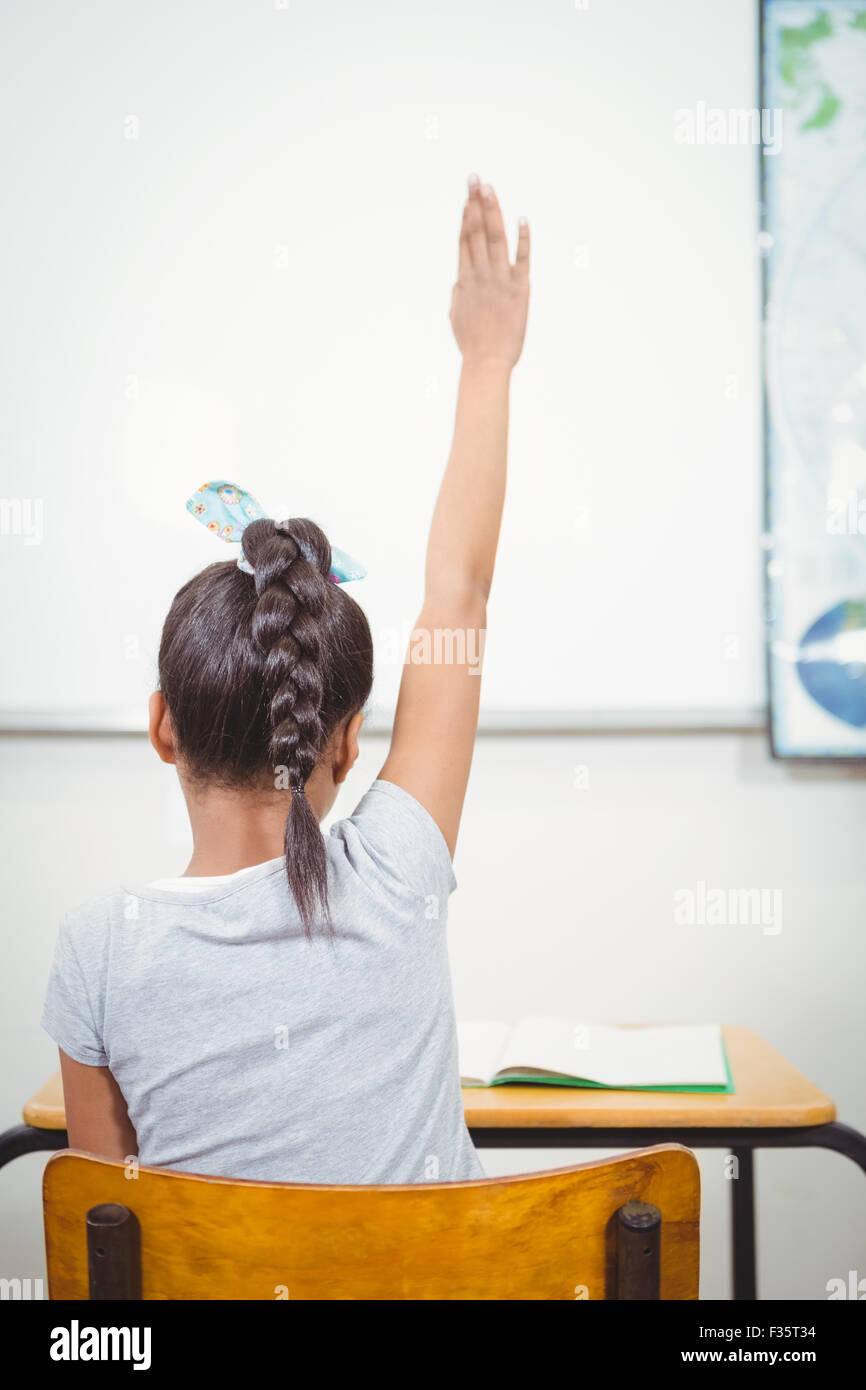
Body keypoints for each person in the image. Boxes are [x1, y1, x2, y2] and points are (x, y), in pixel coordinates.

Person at [42, 175, 530, 1183]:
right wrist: (487, 358)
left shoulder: (98, 952)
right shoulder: (397, 870)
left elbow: (107, 1246)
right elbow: (459, 595)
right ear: (342, 739)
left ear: (161, 728)